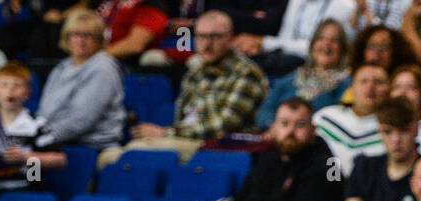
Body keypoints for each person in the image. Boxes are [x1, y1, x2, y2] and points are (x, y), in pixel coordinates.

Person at [172, 97, 342, 201]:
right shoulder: (268, 157)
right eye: (284, 124)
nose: (290, 131)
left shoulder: (326, 165)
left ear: (313, 130)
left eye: (300, 125)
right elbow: (243, 197)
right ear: (273, 128)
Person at [124, 11, 269, 161]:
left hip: (221, 148)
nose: (206, 44)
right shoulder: (195, 72)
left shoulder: (245, 73)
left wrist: (166, 133)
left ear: (230, 38)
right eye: (201, 37)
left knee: (134, 152)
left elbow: (223, 127)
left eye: (215, 37)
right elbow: (184, 118)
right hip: (188, 141)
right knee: (114, 155)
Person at [37, 9, 126, 155]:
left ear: (98, 40)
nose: (80, 40)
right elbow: (44, 110)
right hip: (58, 143)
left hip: (93, 148)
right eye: (75, 34)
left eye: (87, 35)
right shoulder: (61, 67)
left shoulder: (103, 68)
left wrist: (42, 137)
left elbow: (81, 121)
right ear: (67, 37)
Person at [0, 61, 66, 194]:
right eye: (4, 85)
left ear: (27, 93)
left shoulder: (35, 124)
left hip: (26, 188)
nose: (10, 90)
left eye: (17, 86)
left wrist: (26, 157)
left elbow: (59, 160)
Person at [254, 17, 351, 129]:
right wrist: (275, 127)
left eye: (334, 40)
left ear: (343, 49)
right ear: (313, 45)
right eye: (321, 38)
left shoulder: (348, 84)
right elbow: (264, 111)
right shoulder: (289, 79)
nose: (326, 45)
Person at [313, 62, 391, 175]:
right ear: (351, 87)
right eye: (363, 81)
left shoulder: (390, 130)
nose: (370, 87)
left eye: (378, 82)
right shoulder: (325, 117)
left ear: (389, 90)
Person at [97, 0, 170, 63]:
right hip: (98, 55)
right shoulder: (108, 4)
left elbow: (134, 45)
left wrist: (93, 58)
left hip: (121, 63)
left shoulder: (149, 4)